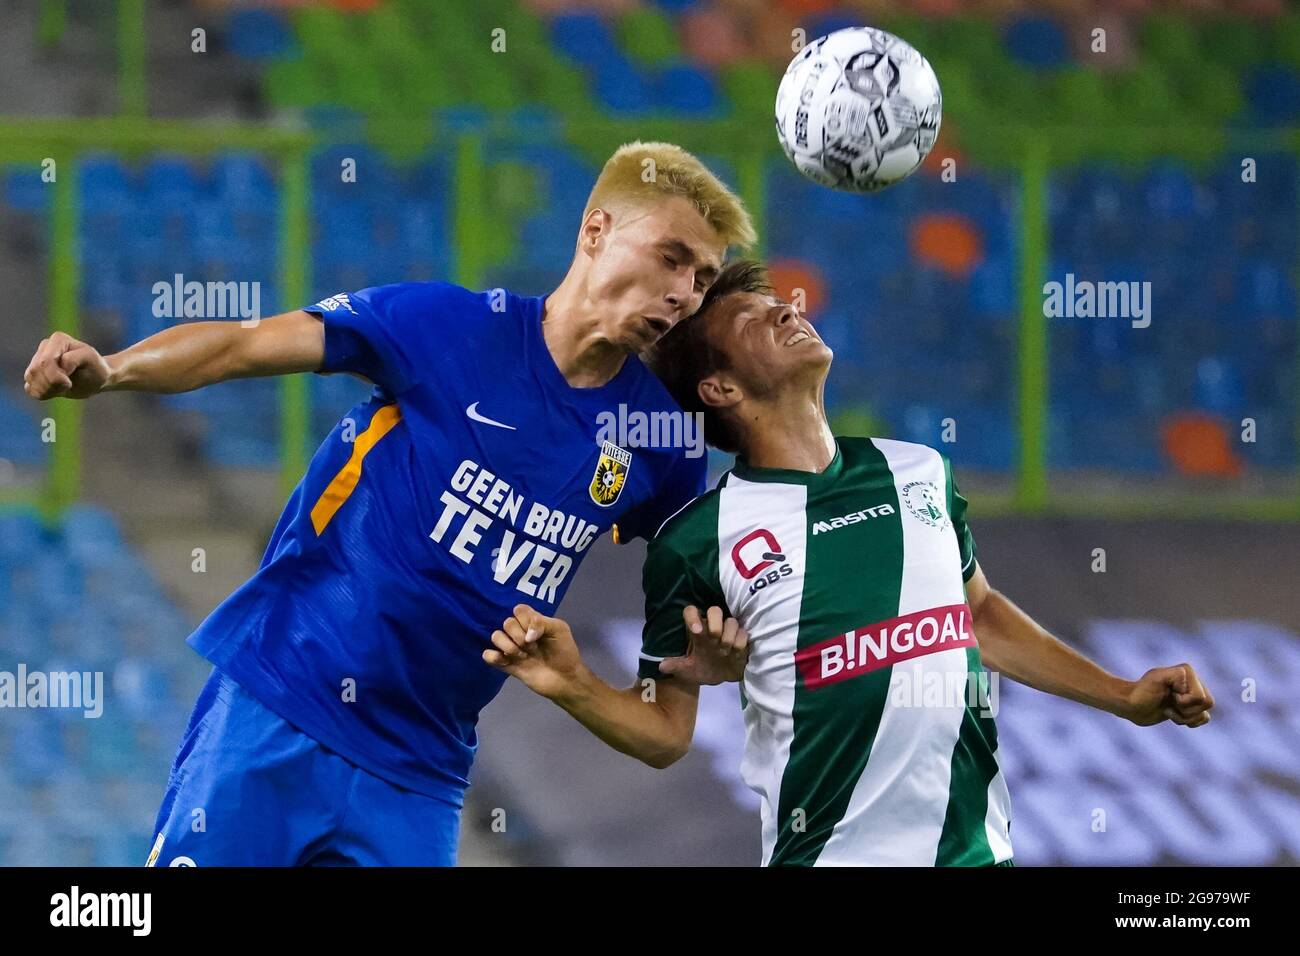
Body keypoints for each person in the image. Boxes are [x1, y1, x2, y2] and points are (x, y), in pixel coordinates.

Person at [22, 142, 755, 866]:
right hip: (281, 706)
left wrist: (580, 684)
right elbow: (240, 346)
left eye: (702, 277)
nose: (685, 294)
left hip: (418, 779)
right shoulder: (444, 326)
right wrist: (111, 371)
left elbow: (665, 732)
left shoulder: (664, 446)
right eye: (671, 257)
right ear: (595, 230)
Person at [482, 259, 1217, 867]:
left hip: (975, 855)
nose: (784, 312)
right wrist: (572, 682)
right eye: (750, 319)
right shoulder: (697, 541)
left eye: (777, 303)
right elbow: (666, 731)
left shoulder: (918, 470)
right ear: (721, 388)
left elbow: (980, 614)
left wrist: (1122, 695)